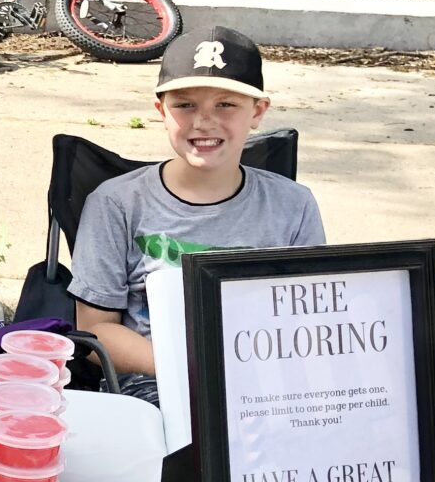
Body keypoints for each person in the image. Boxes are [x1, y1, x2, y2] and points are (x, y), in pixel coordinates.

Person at [67, 29, 324, 406]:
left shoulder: (293, 205)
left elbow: (313, 318)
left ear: (257, 112)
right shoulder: (116, 203)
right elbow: (95, 330)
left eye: (226, 105)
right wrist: (188, 366)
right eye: (185, 105)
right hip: (153, 383)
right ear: (161, 112)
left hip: (266, 386)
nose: (204, 122)